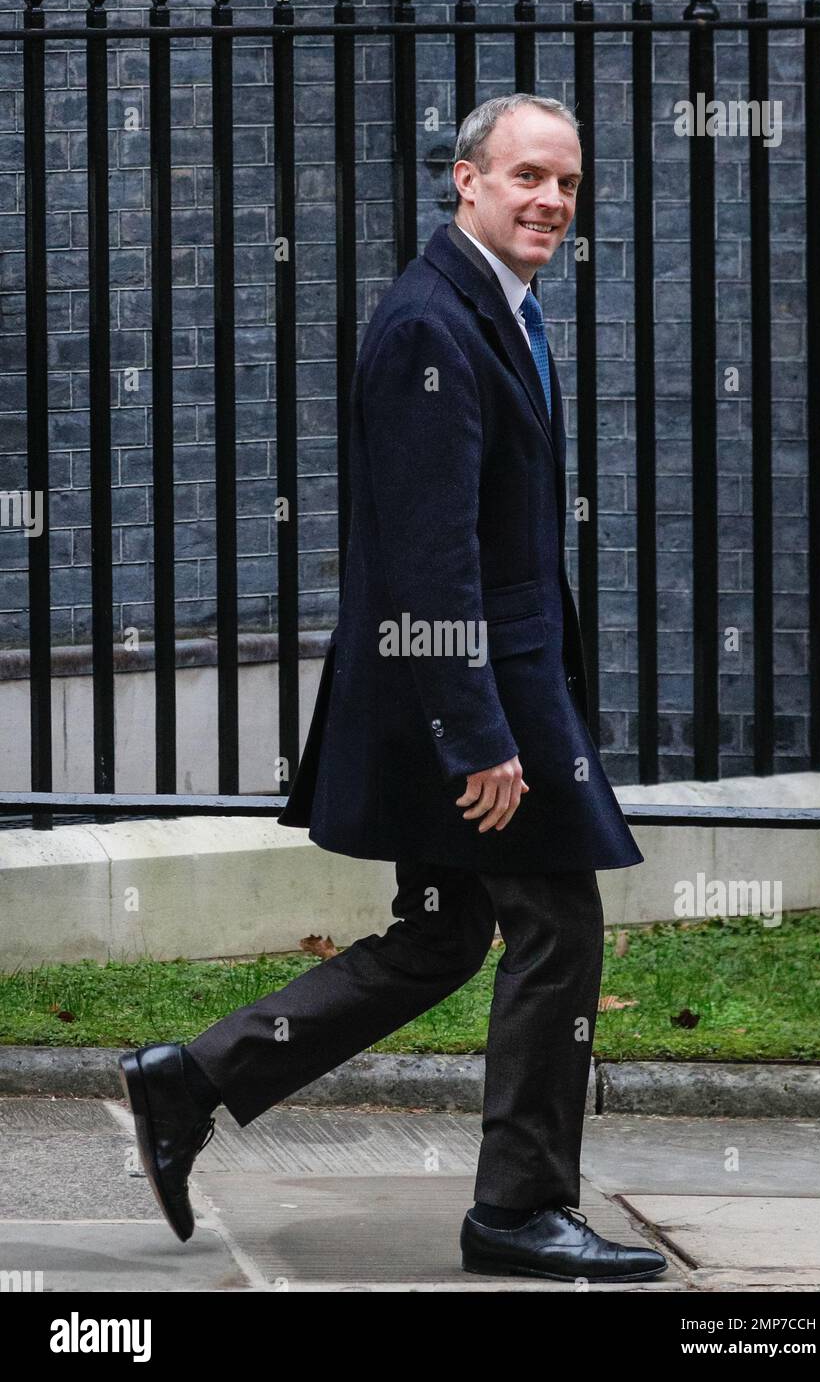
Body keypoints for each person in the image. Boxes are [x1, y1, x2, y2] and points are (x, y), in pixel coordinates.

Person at [119, 93, 668, 1285]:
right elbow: (429, 557)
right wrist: (476, 734)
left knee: (440, 936)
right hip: (468, 706)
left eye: (566, 184)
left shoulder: (494, 308)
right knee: (558, 927)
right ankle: (517, 1210)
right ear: (462, 181)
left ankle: (193, 1076)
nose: (550, 202)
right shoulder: (434, 323)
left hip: (469, 693)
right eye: (525, 176)